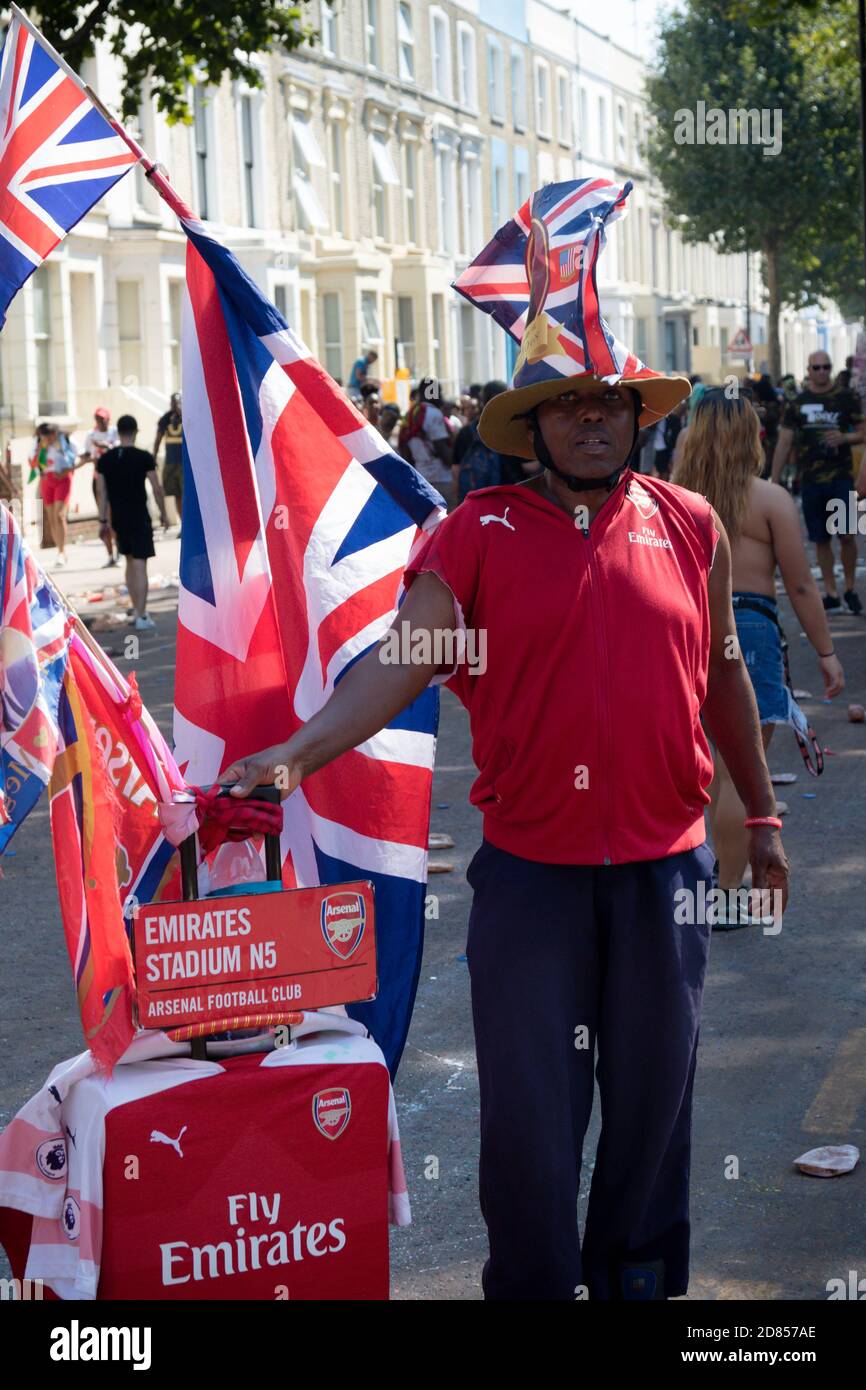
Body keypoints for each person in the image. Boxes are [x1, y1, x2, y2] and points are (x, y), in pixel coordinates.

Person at [222, 358, 788, 1300]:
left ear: (635, 419)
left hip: (668, 874)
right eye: (565, 406)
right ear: (532, 431)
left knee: (655, 1104)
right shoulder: (475, 533)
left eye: (608, 402)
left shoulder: (691, 527)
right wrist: (295, 755)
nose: (590, 420)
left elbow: (724, 674)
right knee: (530, 1116)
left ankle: (636, 1283)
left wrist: (762, 814)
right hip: (533, 882)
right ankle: (531, 1287)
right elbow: (402, 662)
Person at [673, 389, 843, 919]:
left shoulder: (673, 496)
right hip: (752, 628)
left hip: (689, 628)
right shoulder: (769, 499)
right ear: (752, 437)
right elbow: (800, 586)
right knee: (740, 770)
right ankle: (724, 894)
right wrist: (827, 652)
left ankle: (702, 886)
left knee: (702, 772)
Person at [772, 352, 865, 614]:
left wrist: (845, 438)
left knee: (847, 535)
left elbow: (863, 433)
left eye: (827, 367)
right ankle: (832, 593)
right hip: (811, 481)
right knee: (821, 540)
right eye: (817, 367)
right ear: (809, 370)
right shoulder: (797, 402)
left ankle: (848, 588)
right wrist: (775, 481)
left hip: (842, 479)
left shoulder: (846, 397)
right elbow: (784, 442)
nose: (823, 371)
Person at [95, 415, 169, 632]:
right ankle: (141, 613)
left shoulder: (106, 459)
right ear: (136, 432)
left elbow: (102, 491)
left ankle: (137, 610)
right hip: (139, 515)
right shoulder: (144, 457)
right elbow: (156, 487)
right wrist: (164, 513)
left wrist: (102, 520)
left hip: (118, 518)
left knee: (128, 561)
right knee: (140, 564)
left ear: (118, 432)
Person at [452, 379, 534, 500]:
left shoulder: (466, 432)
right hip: (510, 500)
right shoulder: (513, 430)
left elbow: (456, 471)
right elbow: (530, 467)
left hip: (477, 500)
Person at [398, 378, 454, 500]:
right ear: (432, 392)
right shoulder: (433, 413)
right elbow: (441, 448)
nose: (441, 395)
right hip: (441, 479)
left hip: (420, 477)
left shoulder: (409, 414)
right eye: (439, 391)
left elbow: (404, 448)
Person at [33, 422, 76, 567]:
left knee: (59, 515)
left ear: (54, 433)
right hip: (46, 479)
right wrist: (40, 450)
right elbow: (34, 464)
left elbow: (75, 458)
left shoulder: (65, 441)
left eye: (49, 436)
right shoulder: (40, 444)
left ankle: (62, 552)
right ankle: (59, 551)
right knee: (51, 519)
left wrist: (66, 470)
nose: (47, 439)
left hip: (62, 479)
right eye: (44, 437)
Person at [80, 407, 119, 566]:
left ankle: (120, 552)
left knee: (115, 517)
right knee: (103, 517)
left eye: (102, 418)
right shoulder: (91, 435)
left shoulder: (114, 432)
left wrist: (104, 446)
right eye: (97, 418)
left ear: (108, 419)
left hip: (115, 479)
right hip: (98, 479)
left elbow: (117, 449)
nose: (100, 421)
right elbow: (87, 455)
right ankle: (110, 555)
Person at [153, 393, 183, 528]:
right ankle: (183, 525)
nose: (174, 404)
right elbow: (158, 438)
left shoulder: (187, 415)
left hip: (184, 463)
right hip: (171, 461)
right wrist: (153, 456)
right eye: (173, 401)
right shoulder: (165, 418)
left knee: (186, 493)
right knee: (176, 494)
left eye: (177, 401)